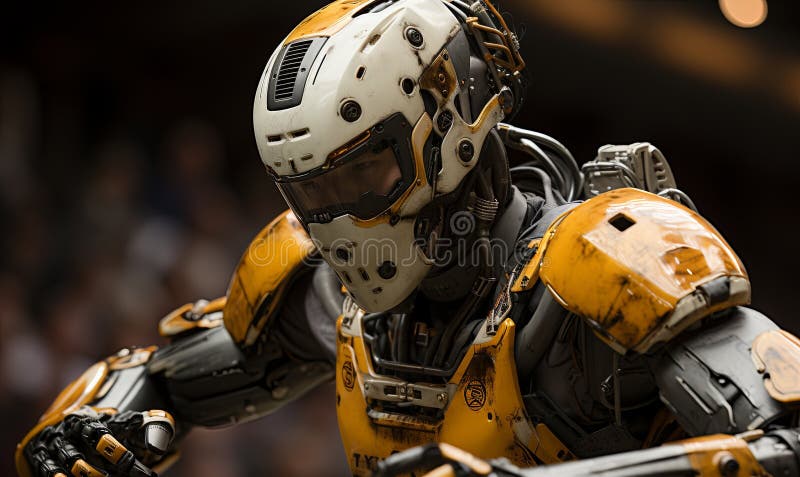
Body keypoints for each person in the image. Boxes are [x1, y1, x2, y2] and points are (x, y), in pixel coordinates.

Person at [16, 1, 800, 476]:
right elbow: (165, 373)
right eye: (309, 190)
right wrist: (96, 420)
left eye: (355, 180)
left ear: (447, 136)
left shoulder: (607, 261)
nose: (332, 220)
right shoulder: (324, 284)